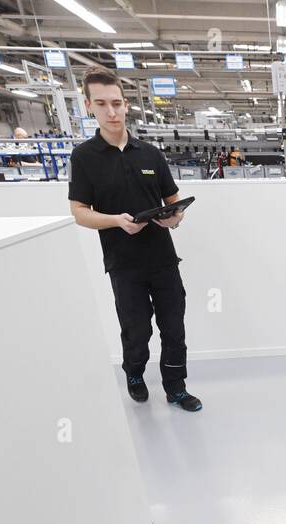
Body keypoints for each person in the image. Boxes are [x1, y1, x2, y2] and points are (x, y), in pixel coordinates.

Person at [67, 67, 200, 410]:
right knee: (137, 329)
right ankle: (135, 372)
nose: (111, 112)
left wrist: (174, 219)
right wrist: (114, 221)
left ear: (126, 105)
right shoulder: (84, 157)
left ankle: (176, 386)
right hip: (123, 263)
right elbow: (80, 212)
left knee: (173, 326)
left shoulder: (150, 154)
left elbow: (173, 203)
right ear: (89, 106)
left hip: (163, 260)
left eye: (116, 103)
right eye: (101, 104)